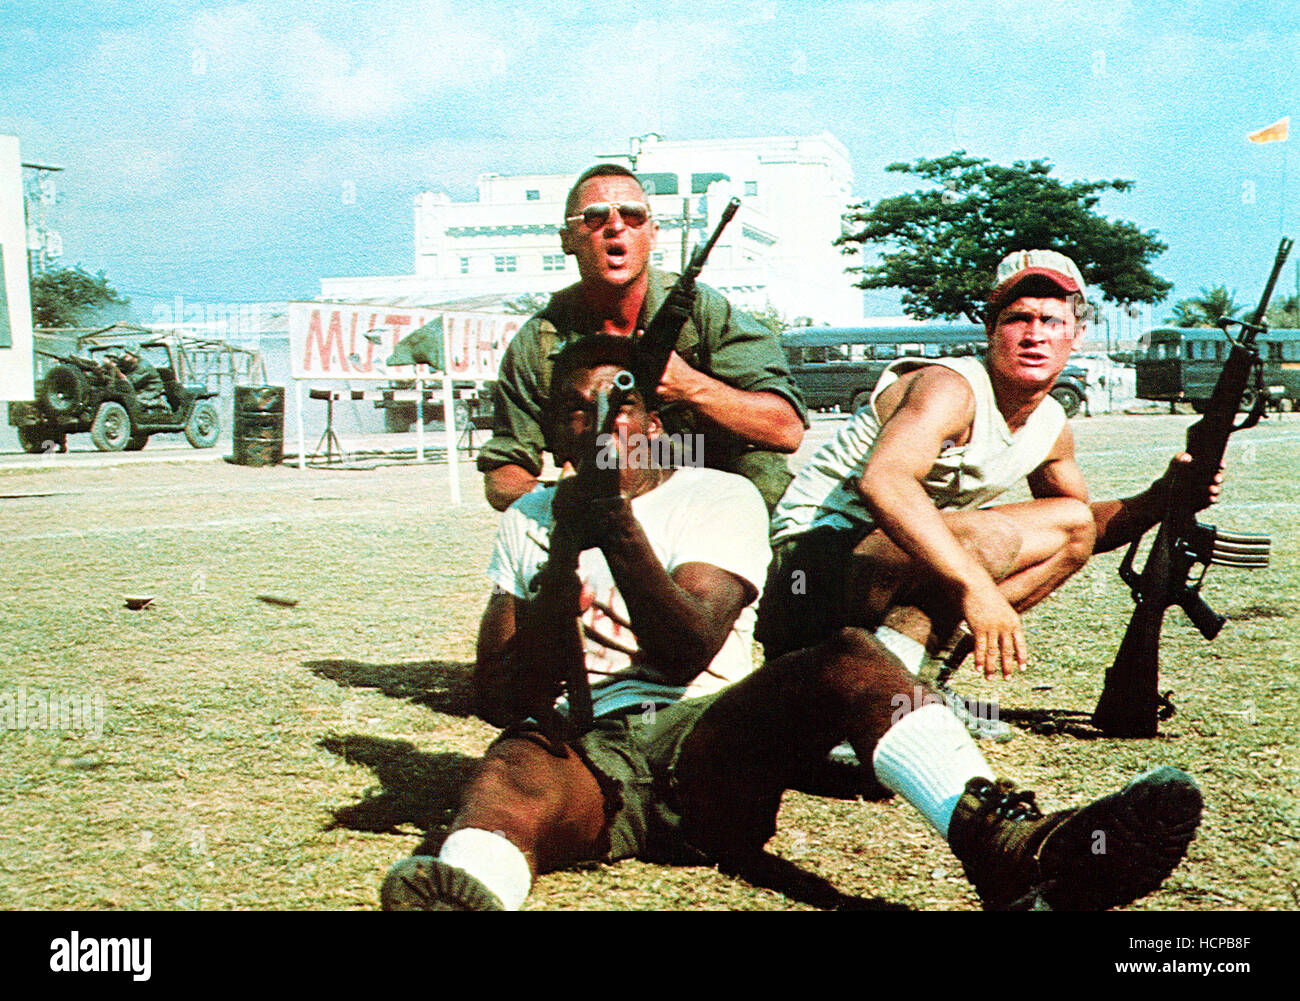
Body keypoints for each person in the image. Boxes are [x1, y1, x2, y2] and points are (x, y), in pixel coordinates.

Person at [380, 335, 1203, 912]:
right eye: (575, 409)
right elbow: (496, 690)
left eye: (619, 404)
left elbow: (686, 647)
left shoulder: (715, 494)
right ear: (556, 430)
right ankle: (470, 888)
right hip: (584, 759)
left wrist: (615, 531)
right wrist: (557, 587)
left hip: (712, 739)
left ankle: (1010, 845)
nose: (599, 423)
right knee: (509, 766)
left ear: (654, 425)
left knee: (849, 656)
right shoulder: (530, 517)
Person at [758, 250, 1223, 686]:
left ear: (1076, 334)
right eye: (1018, 319)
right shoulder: (949, 386)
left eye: (1051, 320)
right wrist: (975, 587)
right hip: (807, 569)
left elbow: (1079, 532)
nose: (1034, 334)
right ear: (990, 329)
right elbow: (884, 481)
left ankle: (905, 683)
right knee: (987, 539)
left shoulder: (1050, 425)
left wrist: (1163, 497)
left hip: (890, 566)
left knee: (1070, 523)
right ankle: (869, 696)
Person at [477, 162, 807, 513]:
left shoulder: (701, 313)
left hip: (716, 496)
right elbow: (503, 476)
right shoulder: (541, 343)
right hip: (601, 507)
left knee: (766, 483)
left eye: (633, 215)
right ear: (567, 239)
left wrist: (689, 386)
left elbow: (784, 429)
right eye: (594, 217)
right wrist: (557, 497)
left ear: (653, 233)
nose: (616, 226)